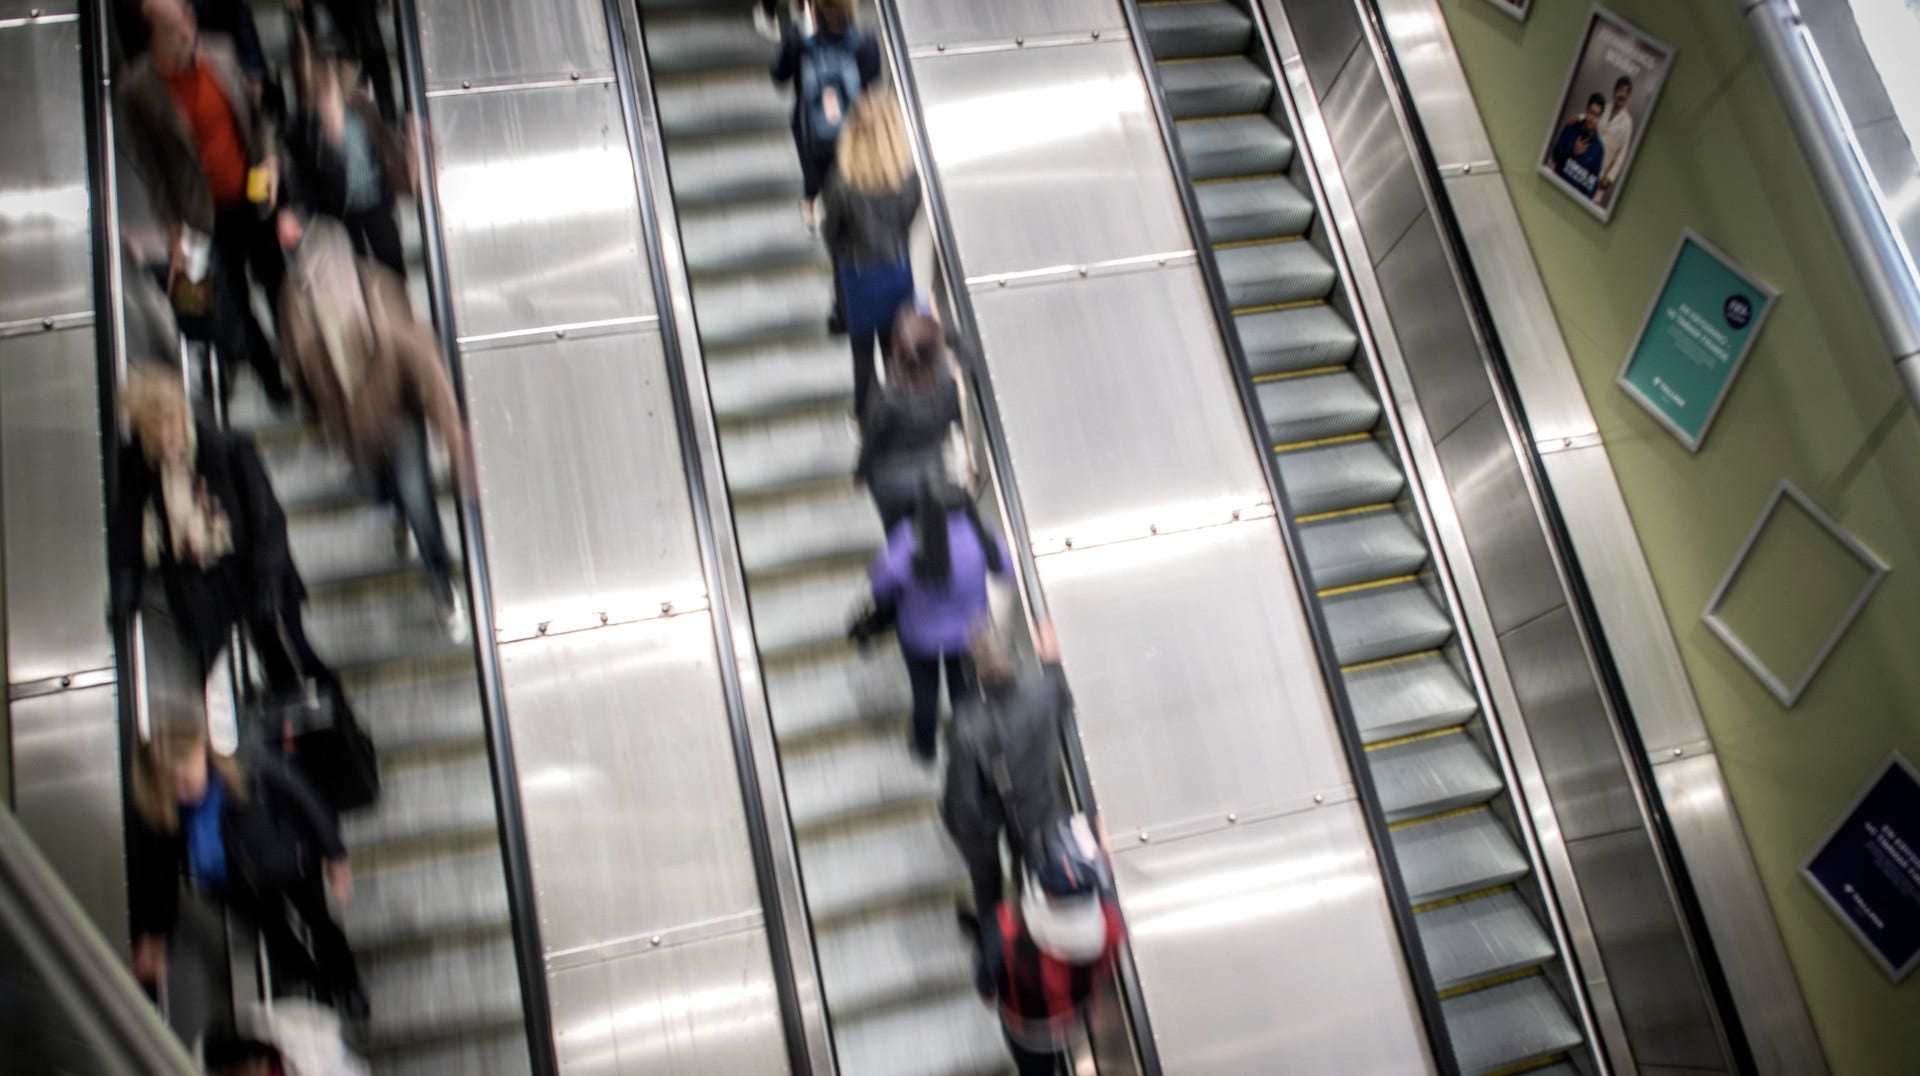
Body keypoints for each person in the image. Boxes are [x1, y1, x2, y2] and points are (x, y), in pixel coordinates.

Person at [276, 216, 475, 640]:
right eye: (313, 274)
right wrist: (318, 418)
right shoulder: (295, 305)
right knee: (381, 489)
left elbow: (426, 363)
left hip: (399, 418)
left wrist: (452, 435)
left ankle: (442, 586)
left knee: (419, 501)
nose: (322, 282)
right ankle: (398, 514)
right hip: (353, 429)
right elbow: (299, 369)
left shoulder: (381, 291)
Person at [112, 363, 341, 698]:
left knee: (295, 661)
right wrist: (124, 589)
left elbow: (267, 516)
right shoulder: (140, 462)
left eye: (172, 421)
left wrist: (267, 576)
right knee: (200, 677)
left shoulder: (225, 447)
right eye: (156, 426)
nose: (168, 435)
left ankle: (336, 724)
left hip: (255, 575)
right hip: (202, 588)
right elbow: (127, 526)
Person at [118, 0, 294, 406]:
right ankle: (268, 380)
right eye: (173, 25)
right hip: (201, 218)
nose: (186, 29)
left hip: (252, 197)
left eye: (186, 16)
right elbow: (153, 172)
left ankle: (302, 365)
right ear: (153, 36)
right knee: (226, 305)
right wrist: (173, 233)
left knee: (279, 288)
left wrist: (269, 161)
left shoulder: (220, 52)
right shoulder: (137, 91)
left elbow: (257, 120)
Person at [129, 720, 367, 1019]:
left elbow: (305, 797)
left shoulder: (246, 763)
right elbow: (162, 874)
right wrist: (157, 933)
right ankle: (313, 985)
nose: (183, 794)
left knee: (320, 925)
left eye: (186, 781)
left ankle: (348, 986)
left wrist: (335, 854)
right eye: (173, 789)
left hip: (291, 865)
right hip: (235, 888)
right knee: (278, 936)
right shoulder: (168, 815)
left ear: (199, 753)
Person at [941, 621, 1072, 957]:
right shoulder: (1043, 695)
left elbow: (962, 799)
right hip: (1041, 808)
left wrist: (972, 838)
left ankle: (994, 943)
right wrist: (1052, 660)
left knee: (988, 887)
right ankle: (1033, 933)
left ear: (977, 675)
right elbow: (1061, 694)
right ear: (1015, 661)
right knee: (1034, 872)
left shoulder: (968, 724)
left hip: (991, 815)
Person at [870, 478, 1010, 763]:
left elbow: (881, 584)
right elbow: (1006, 570)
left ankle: (925, 748)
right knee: (964, 694)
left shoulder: (910, 538)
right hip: (970, 636)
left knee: (925, 693)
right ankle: (965, 749)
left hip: (919, 636)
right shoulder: (981, 532)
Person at [977, 817, 1125, 1076]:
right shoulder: (1109, 926)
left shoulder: (1006, 928)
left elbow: (986, 983)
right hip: (1072, 1020)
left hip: (1026, 1030)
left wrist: (990, 991)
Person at [823, 92, 922, 419]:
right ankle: (902, 416)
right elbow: (909, 219)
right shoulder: (908, 179)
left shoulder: (842, 181)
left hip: (857, 277)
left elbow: (831, 234)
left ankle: (867, 422)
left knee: (862, 356)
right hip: (896, 270)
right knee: (898, 350)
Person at [286, 26, 412, 277]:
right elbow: (305, 178)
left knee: (393, 267)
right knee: (359, 274)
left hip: (376, 202)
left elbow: (381, 141)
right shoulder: (305, 125)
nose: (324, 79)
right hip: (342, 214)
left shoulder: (356, 102)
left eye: (327, 71)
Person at [770, 0, 881, 232]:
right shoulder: (866, 43)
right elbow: (872, 85)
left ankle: (812, 208)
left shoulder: (798, 42)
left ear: (814, 11)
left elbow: (779, 76)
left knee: (813, 171)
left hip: (811, 131)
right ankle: (850, 220)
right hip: (853, 130)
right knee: (851, 175)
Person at [857, 310, 959, 529]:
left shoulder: (887, 396)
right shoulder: (948, 387)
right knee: (930, 532)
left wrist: (861, 471)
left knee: (896, 533)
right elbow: (949, 421)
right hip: (930, 476)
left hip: (890, 482)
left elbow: (873, 440)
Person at [1549, 92, 1607, 200]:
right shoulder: (1571, 128)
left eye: (1596, 115)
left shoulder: (1599, 149)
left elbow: (1592, 186)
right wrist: (1572, 152)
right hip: (1555, 188)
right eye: (1591, 112)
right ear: (1586, 111)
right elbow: (1555, 155)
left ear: (1600, 118)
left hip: (1574, 200)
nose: (1592, 119)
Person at [1596, 75, 1635, 200]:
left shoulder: (1627, 123)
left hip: (1601, 171)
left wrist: (1610, 177)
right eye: (1621, 90)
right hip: (1584, 161)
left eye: (1626, 92)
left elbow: (1622, 155)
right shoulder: (1603, 108)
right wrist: (1578, 117)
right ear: (1615, 91)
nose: (1623, 95)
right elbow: (1589, 120)